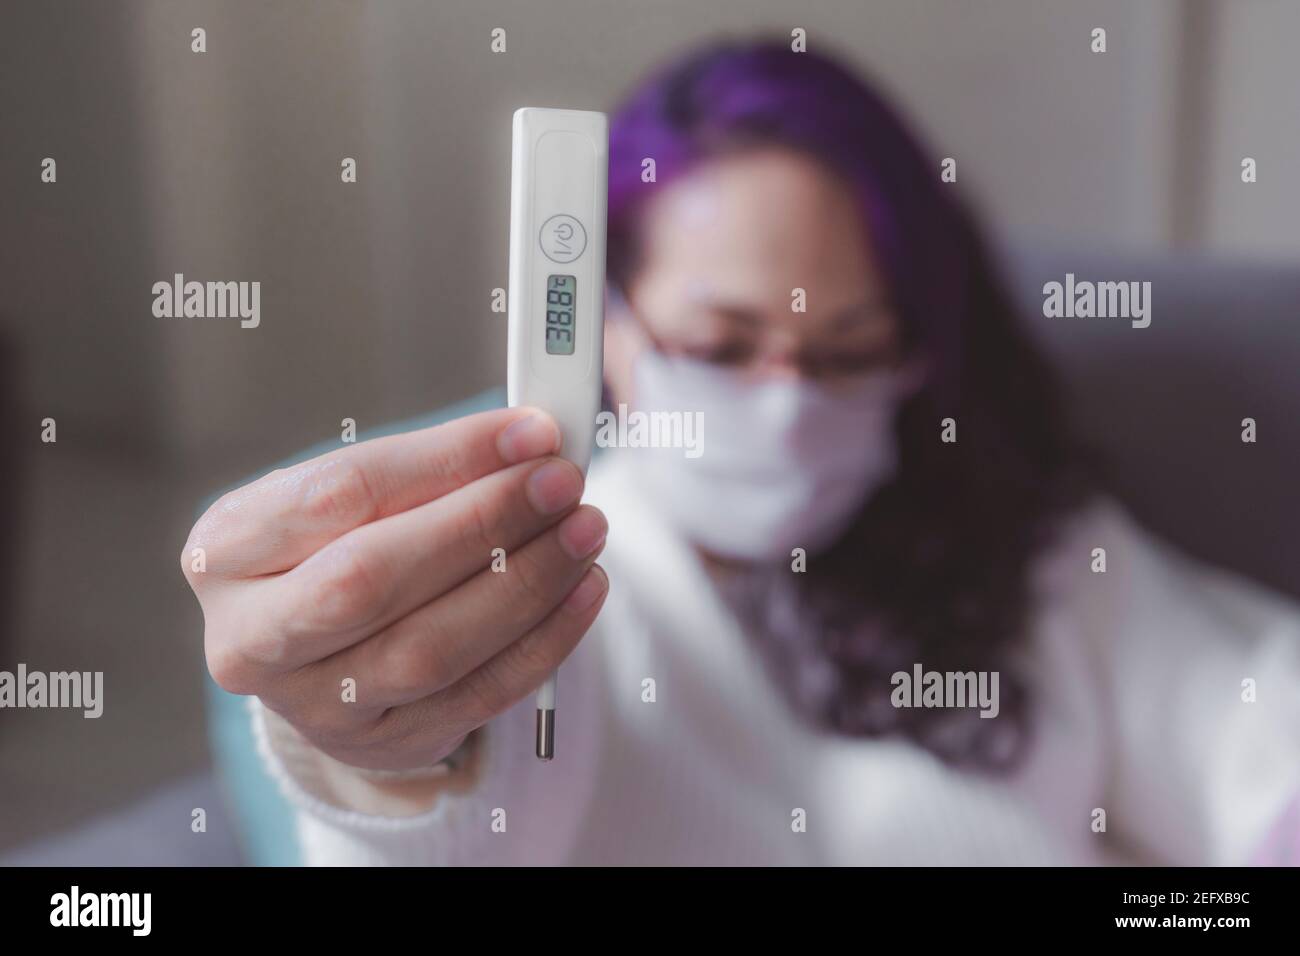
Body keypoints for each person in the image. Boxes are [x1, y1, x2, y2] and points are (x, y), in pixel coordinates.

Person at [182, 39, 1300, 865]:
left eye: (850, 349)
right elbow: (464, 824)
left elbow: (1249, 715)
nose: (787, 407)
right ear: (610, 325)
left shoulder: (1025, 543)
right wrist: (378, 743)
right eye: (723, 344)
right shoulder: (550, 592)